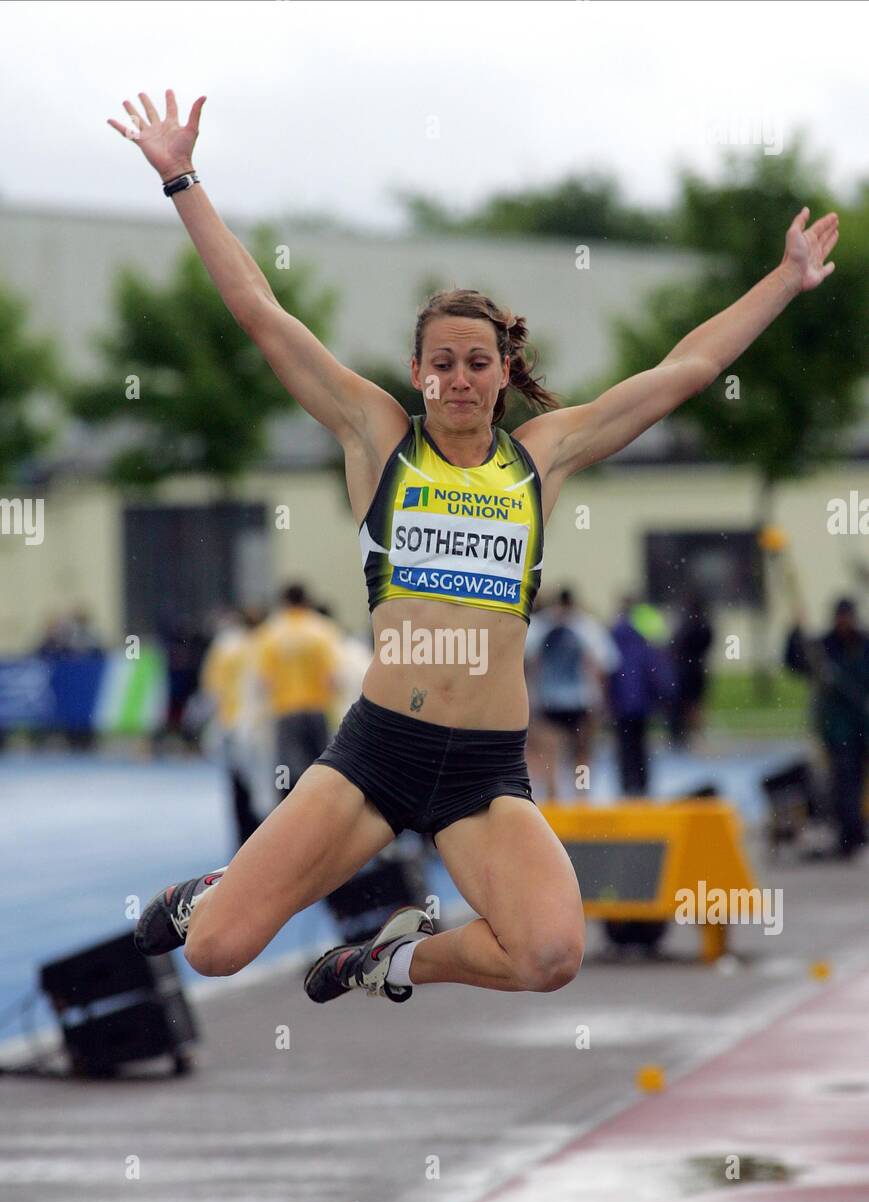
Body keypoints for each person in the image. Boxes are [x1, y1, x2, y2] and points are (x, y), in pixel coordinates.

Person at [114, 89, 839, 1003]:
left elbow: (682, 373)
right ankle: (208, 899)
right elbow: (260, 311)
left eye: (478, 362)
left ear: (503, 375)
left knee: (548, 956)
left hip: (486, 769)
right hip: (378, 754)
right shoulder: (378, 437)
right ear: (417, 373)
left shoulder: (543, 455)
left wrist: (783, 280)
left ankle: (389, 959)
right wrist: (180, 177)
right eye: (442, 363)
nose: (459, 378)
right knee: (216, 951)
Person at [784, 597, 869, 860]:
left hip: (863, 726)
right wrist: (794, 634)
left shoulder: (864, 645)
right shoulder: (823, 648)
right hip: (839, 730)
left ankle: (856, 830)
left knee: (857, 784)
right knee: (844, 783)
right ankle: (849, 834)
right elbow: (795, 661)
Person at [251, 583, 343, 804]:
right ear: (307, 601)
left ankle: (285, 809)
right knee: (321, 768)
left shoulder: (271, 632)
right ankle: (320, 813)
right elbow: (333, 678)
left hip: (285, 709)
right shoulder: (322, 630)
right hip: (316, 709)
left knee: (284, 769)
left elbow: (264, 681)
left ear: (283, 602)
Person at [525, 587, 620, 800]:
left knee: (551, 754)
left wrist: (531, 697)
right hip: (580, 702)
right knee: (582, 753)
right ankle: (581, 795)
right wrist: (601, 700)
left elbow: (527, 663)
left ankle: (553, 798)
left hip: (550, 702)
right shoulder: (587, 626)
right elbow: (604, 665)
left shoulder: (539, 626)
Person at [199, 607, 263, 848]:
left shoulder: (226, 645)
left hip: (232, 723)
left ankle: (244, 838)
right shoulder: (263, 642)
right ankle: (258, 837)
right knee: (263, 786)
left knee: (239, 784)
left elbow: (210, 685)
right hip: (256, 725)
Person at [608, 597, 673, 795]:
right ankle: (641, 782)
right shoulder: (643, 639)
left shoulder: (613, 637)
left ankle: (627, 783)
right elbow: (654, 670)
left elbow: (608, 668)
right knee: (641, 744)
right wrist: (663, 694)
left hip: (621, 700)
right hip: (641, 700)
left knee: (624, 744)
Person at [667, 589, 714, 746]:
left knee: (689, 704)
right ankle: (694, 735)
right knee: (694, 704)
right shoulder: (702, 623)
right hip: (695, 668)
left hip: (686, 669)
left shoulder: (687, 625)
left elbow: (677, 645)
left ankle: (689, 735)